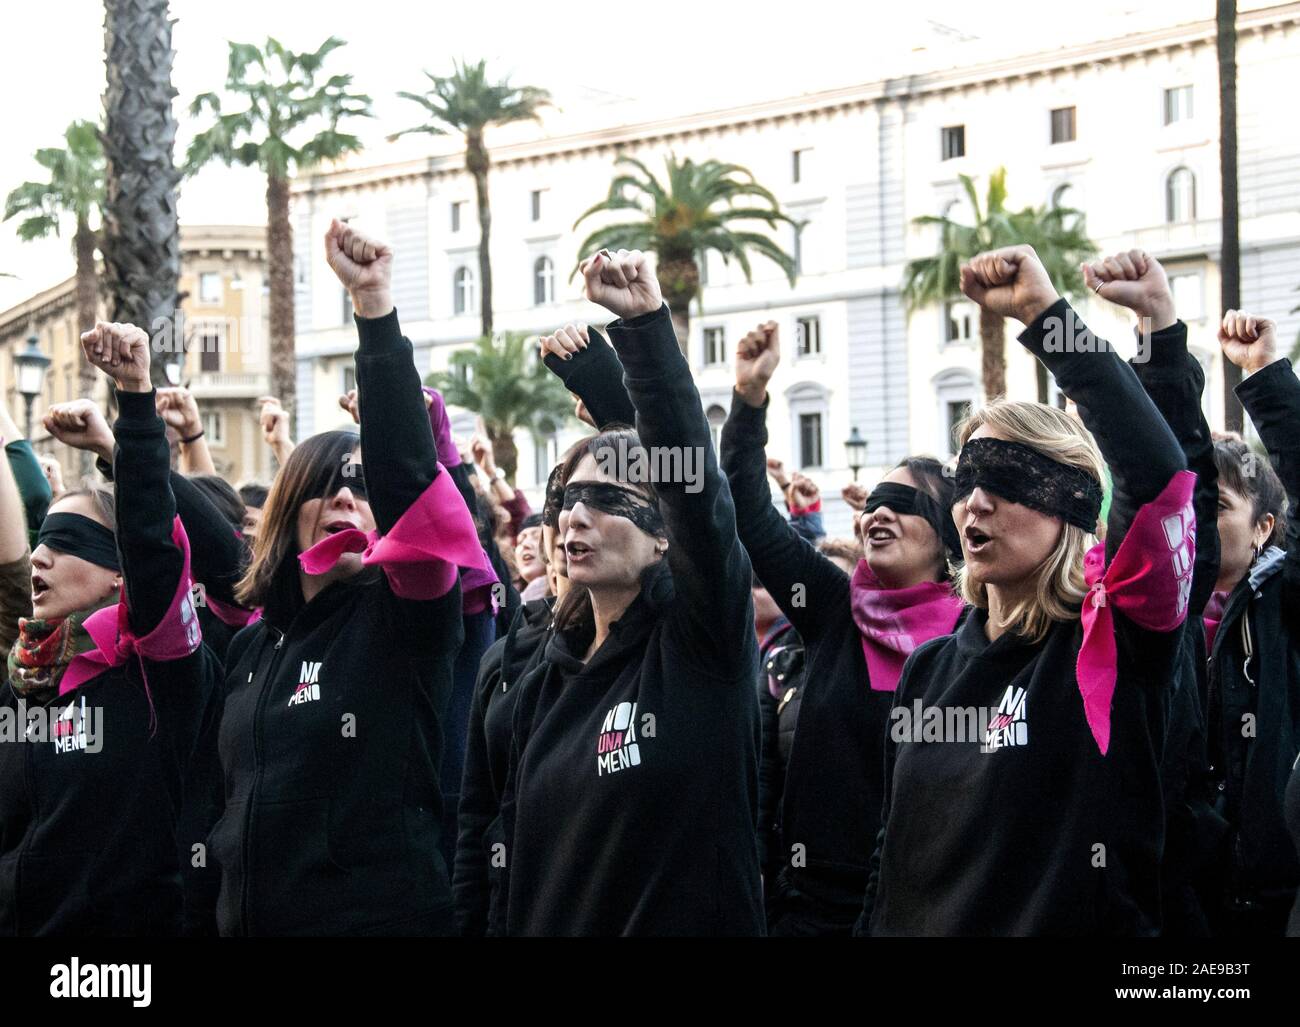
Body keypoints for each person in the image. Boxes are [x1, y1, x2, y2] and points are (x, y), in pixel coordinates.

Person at [860, 244, 1195, 936]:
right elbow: (894, 859)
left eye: (1007, 478)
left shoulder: (1117, 640)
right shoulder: (928, 670)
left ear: (1070, 503)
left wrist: (1049, 319)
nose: (974, 502)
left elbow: (1161, 475)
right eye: (965, 478)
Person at [210, 219, 491, 936]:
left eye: (360, 487)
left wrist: (373, 308)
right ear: (283, 511)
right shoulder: (248, 651)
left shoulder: (409, 613)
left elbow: (410, 482)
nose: (343, 496)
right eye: (326, 483)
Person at [498, 249, 763, 936]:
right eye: (569, 499)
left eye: (607, 500)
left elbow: (693, 488)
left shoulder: (703, 648)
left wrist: (645, 328)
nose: (576, 516)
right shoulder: (544, 679)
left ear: (663, 535)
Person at [721, 319, 965, 936]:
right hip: (811, 909)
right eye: (874, 502)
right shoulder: (833, 610)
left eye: (904, 503)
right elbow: (748, 512)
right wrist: (749, 401)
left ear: (951, 535)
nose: (879, 512)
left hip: (930, 909)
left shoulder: (980, 637)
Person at [0, 320, 222, 935]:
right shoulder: (27, 682)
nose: (39, 558)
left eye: (66, 543)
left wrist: (134, 399)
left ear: (120, 574)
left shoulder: (161, 674)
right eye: (40, 543)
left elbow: (153, 543)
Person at [1082, 249, 1222, 936]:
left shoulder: (1143, 606)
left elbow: (1168, 483)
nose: (981, 504)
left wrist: (1159, 329)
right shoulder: (954, 657)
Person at [1199, 310, 1300, 936]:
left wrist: (1263, 375)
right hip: (1184, 896)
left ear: (1264, 528)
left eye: (1219, 506)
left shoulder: (1284, 602)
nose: (1200, 519)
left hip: (1267, 899)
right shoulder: (1157, 610)